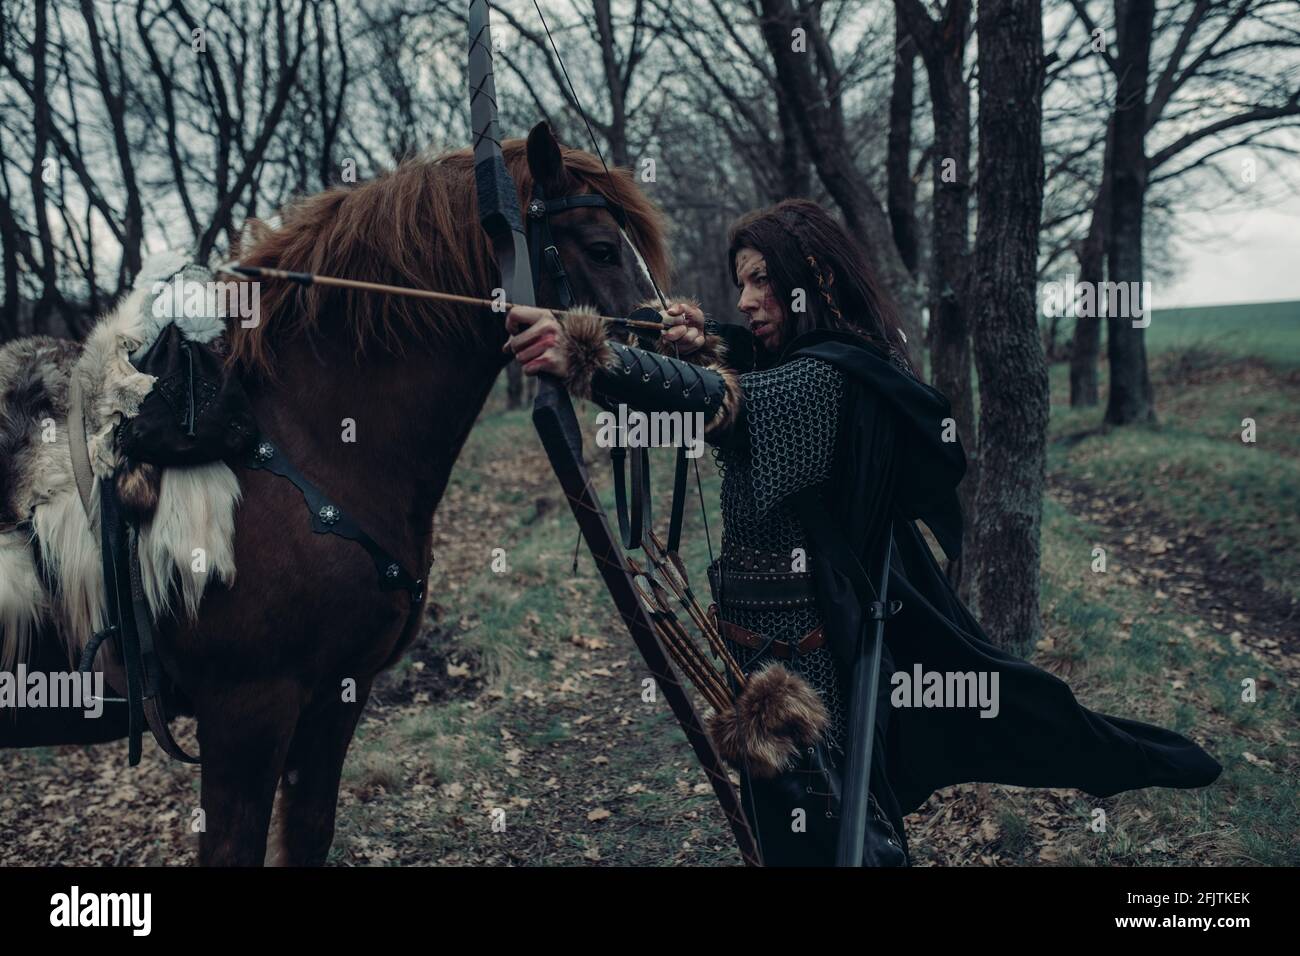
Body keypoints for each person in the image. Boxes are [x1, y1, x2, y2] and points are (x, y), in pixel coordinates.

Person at [504, 198, 1221, 867]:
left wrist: (592, 356)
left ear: (811, 278)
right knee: (789, 825)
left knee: (828, 829)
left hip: (806, 660)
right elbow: (740, 370)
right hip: (759, 646)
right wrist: (696, 340)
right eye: (740, 283)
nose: (747, 298)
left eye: (761, 281)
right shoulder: (806, 363)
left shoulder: (830, 378)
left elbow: (728, 402)